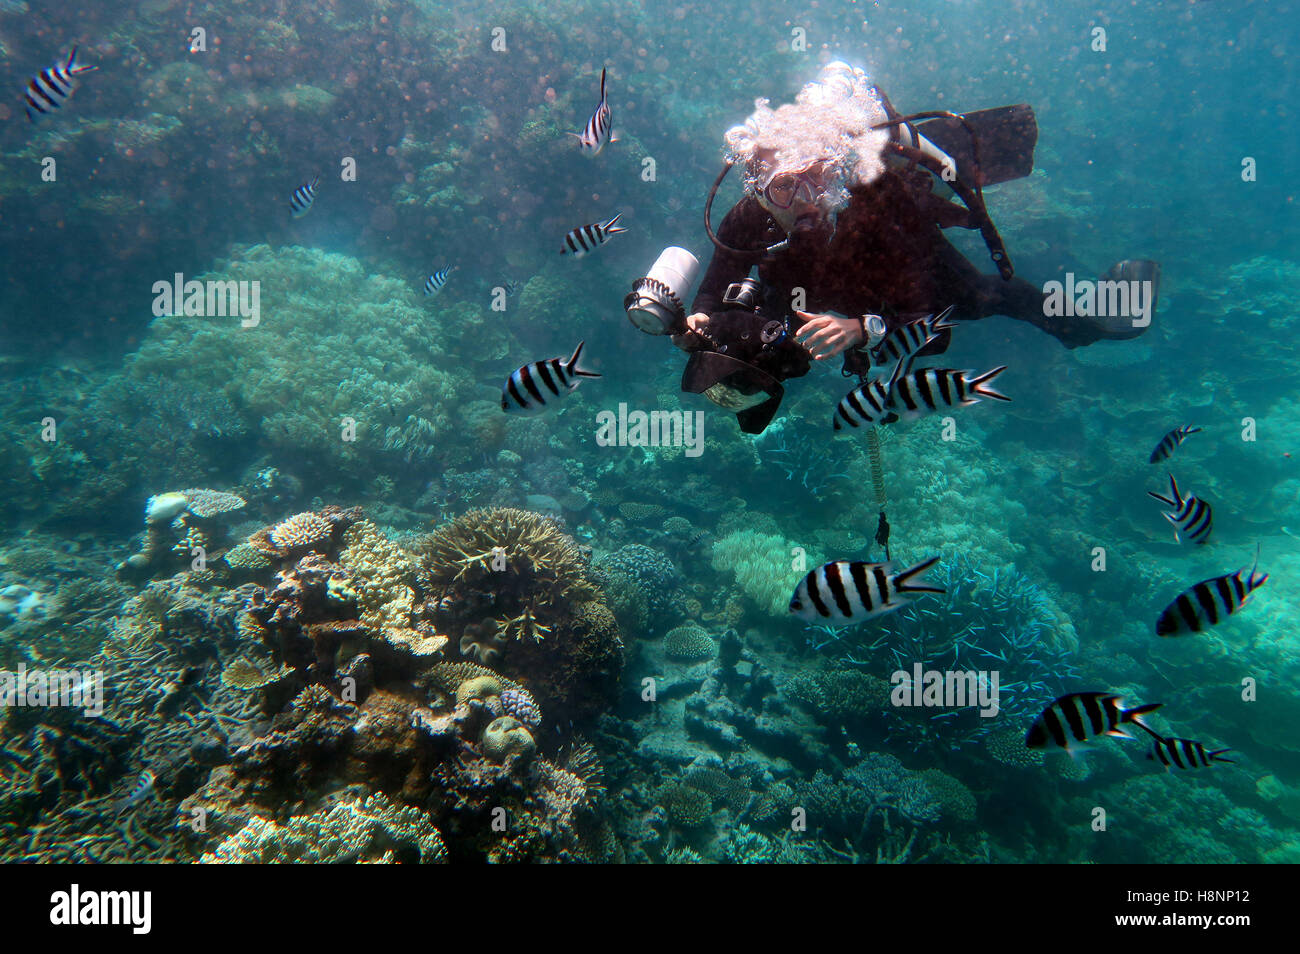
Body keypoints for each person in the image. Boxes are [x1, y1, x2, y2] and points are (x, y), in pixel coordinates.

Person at [671, 62, 1160, 433]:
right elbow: (712, 295)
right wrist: (700, 319)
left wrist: (863, 329)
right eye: (784, 188)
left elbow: (930, 327)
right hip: (808, 292)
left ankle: (1095, 327)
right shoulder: (746, 219)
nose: (808, 201)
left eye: (820, 179)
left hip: (891, 274)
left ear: (839, 170)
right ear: (758, 189)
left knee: (986, 297)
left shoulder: (874, 204)